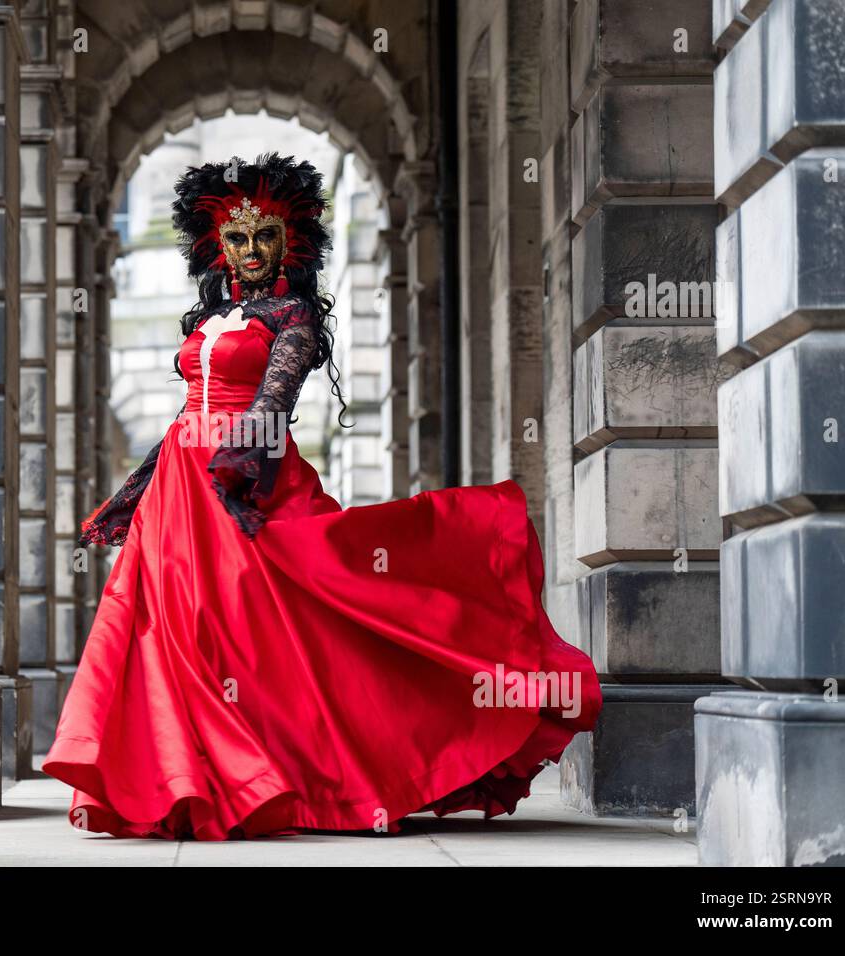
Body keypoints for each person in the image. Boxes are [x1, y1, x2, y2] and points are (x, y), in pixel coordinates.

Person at [42, 153, 602, 840]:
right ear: (214, 246)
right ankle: (186, 783)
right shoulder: (207, 321)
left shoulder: (292, 315)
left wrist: (243, 464)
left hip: (245, 479)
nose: (250, 251)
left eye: (264, 237)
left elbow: (276, 397)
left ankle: (286, 773)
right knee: (173, 635)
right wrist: (136, 488)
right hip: (177, 491)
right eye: (237, 239)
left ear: (290, 241)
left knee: (274, 627)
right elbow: (189, 408)